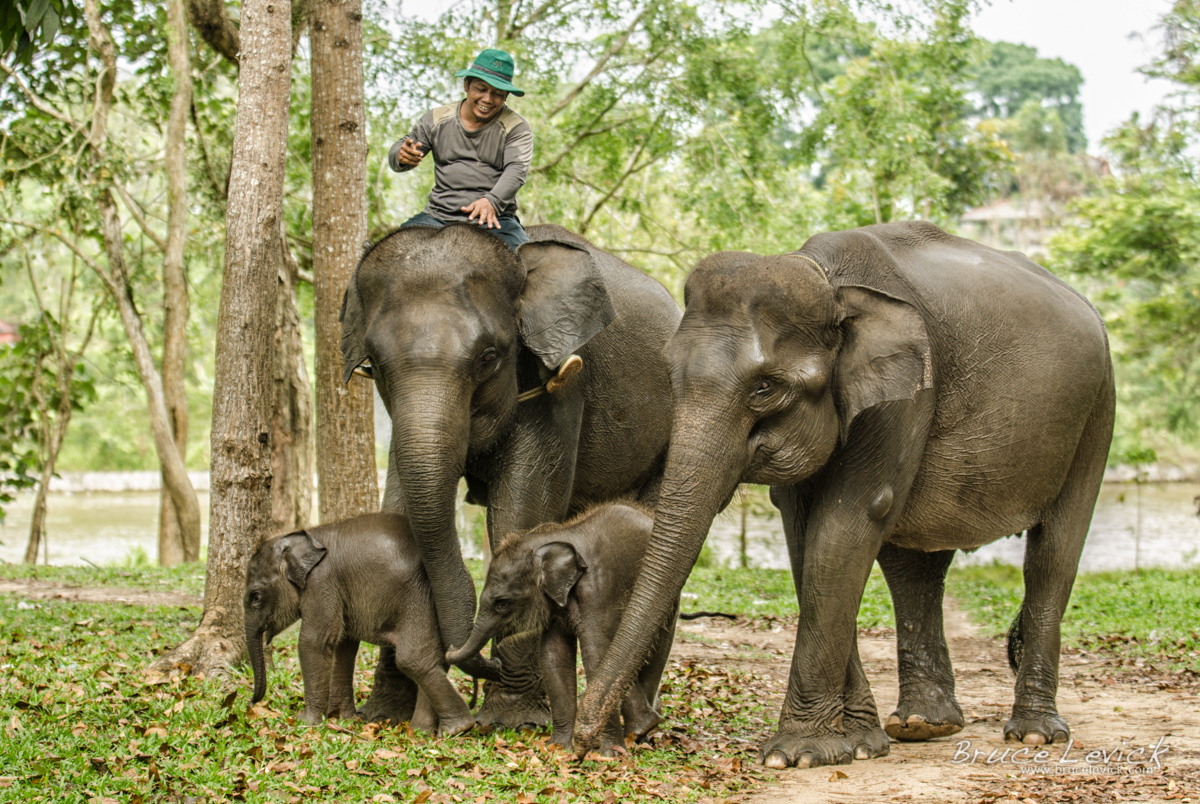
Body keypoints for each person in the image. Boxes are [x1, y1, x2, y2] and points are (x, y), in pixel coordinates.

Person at [389, 48, 533, 251]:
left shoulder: (516, 127)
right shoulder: (436, 118)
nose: (488, 99)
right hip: (437, 217)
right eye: (481, 89)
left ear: (506, 96)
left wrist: (492, 201)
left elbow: (517, 171)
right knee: (388, 254)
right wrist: (401, 156)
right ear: (466, 84)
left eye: (497, 94)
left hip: (495, 219)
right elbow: (403, 146)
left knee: (524, 265)